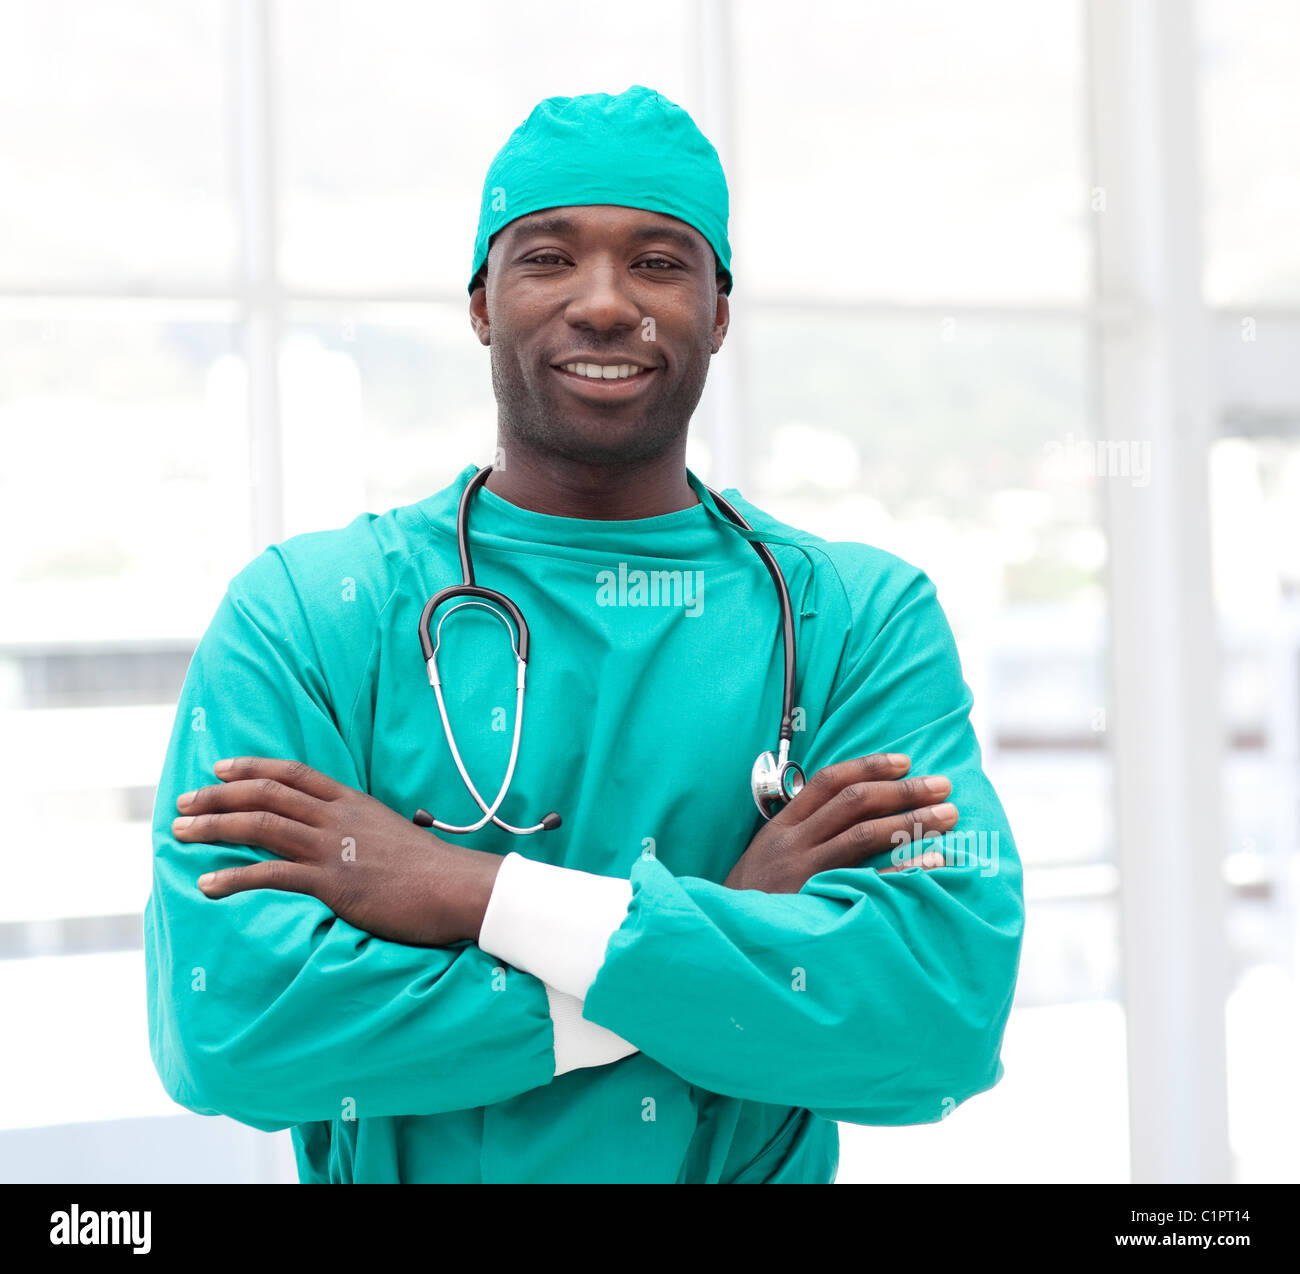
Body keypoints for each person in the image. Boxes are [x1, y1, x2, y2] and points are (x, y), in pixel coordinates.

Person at [144, 85, 1024, 1184]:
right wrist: (728, 928)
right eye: (548, 257)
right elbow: (236, 1035)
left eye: (658, 261)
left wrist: (468, 891)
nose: (604, 304)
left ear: (719, 311)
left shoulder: (855, 619)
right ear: (479, 302)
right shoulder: (312, 613)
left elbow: (932, 1024)